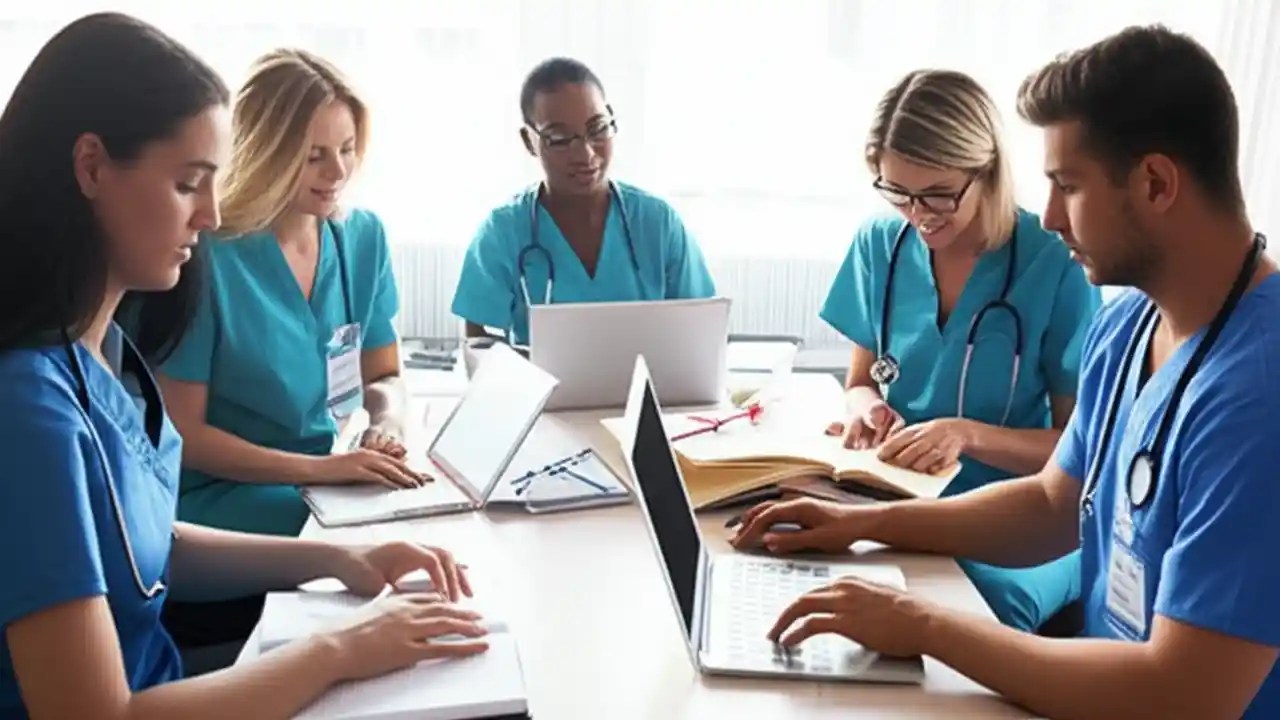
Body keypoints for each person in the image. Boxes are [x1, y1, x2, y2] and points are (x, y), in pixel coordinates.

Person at [733, 24, 1280, 719]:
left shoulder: (1261, 395)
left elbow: (1183, 694)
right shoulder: (1128, 325)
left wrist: (923, 623)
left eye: (1068, 187)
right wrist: (863, 525)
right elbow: (1054, 507)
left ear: (1155, 183)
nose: (1048, 218)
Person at [0, 13, 489, 719]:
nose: (211, 214)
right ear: (92, 168)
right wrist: (338, 651)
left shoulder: (99, 354)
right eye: (188, 184)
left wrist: (336, 559)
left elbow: (146, 547)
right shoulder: (27, 408)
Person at [819, 69, 1100, 632]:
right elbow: (859, 381)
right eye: (898, 192)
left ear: (988, 171)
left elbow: (1081, 453)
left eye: (940, 194)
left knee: (976, 606)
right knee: (818, 563)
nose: (919, 215)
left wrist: (967, 434)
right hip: (900, 494)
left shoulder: (1056, 260)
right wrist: (865, 409)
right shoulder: (881, 244)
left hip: (1024, 515)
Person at [137, 48, 421, 542]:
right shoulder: (205, 257)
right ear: (264, 150)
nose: (337, 172)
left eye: (347, 149)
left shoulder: (362, 239)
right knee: (369, 532)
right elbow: (184, 434)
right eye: (313, 157)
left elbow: (384, 373)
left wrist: (388, 425)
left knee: (416, 511)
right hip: (217, 495)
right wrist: (324, 473)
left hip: (321, 478)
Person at [451, 57, 716, 346]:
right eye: (560, 138)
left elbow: (701, 329)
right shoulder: (503, 232)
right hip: (542, 391)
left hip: (647, 390)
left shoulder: (658, 223)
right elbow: (478, 341)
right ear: (529, 141)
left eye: (598, 128)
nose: (586, 153)